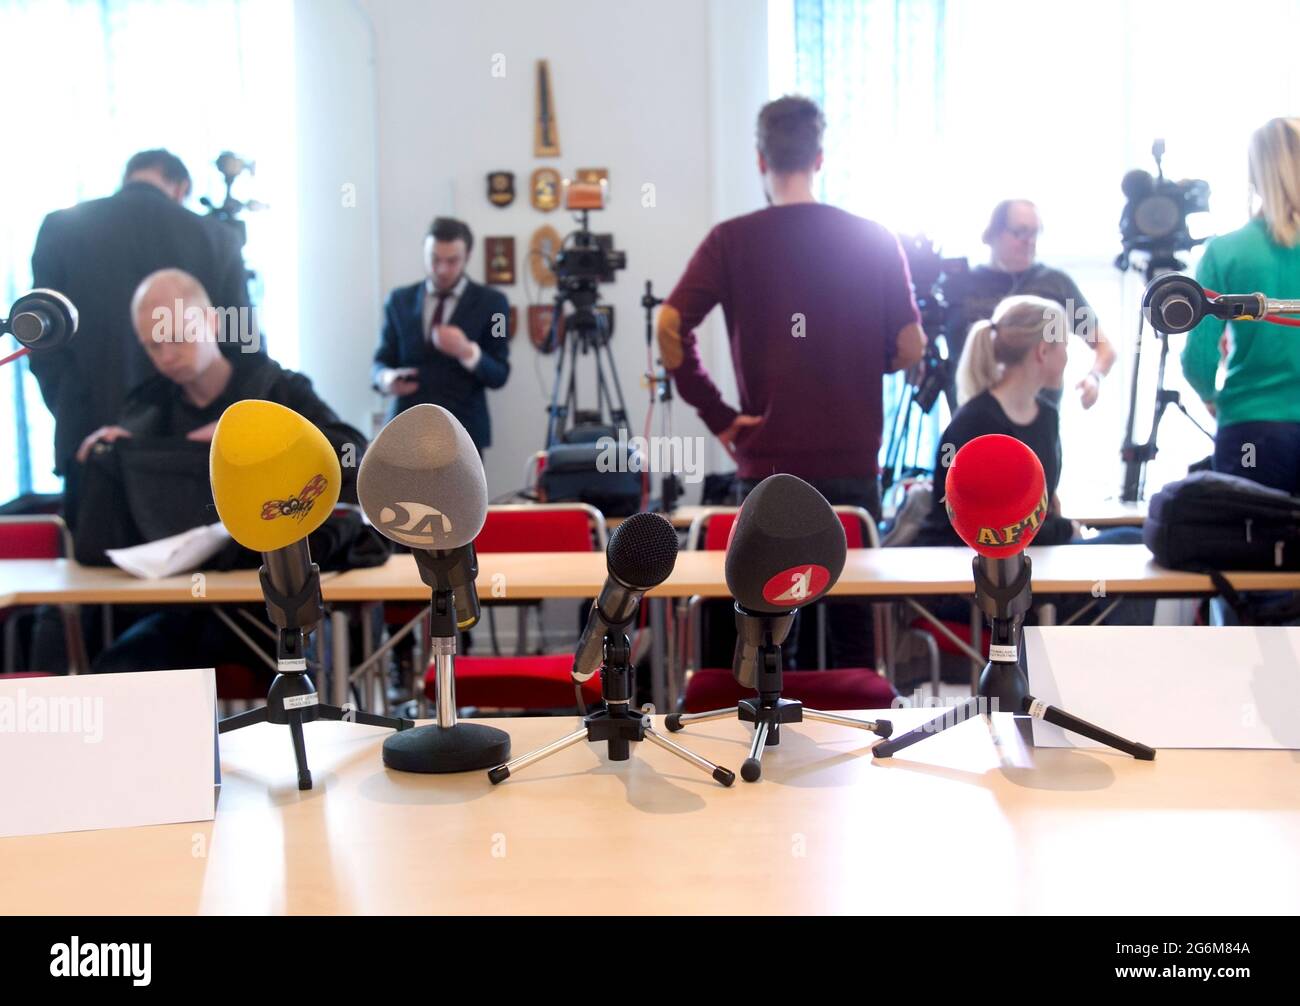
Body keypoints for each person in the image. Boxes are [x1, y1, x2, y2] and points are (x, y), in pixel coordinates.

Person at [660, 94, 926, 668]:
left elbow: (670, 324)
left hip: (768, 471)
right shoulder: (873, 237)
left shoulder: (730, 240)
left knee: (769, 626)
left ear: (761, 161)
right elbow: (911, 347)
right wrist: (853, 364)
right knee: (852, 636)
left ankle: (770, 741)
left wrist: (719, 416)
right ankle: (853, 743)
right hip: (852, 471)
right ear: (820, 158)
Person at [80, 269, 374, 675]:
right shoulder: (148, 410)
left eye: (177, 338)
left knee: (298, 680)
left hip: (273, 604)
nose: (166, 357)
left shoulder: (276, 389)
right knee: (118, 669)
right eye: (152, 346)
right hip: (181, 609)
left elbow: (351, 453)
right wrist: (110, 456)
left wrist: (253, 436)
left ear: (212, 322)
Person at [29, 149, 254, 524]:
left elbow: (40, 341)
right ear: (180, 187)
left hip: (89, 446)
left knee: (92, 567)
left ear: (129, 176)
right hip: (193, 460)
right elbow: (243, 343)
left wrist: (74, 412)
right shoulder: (216, 236)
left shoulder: (60, 228)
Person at [1182, 117, 1300, 495]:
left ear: (1255, 174)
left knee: (1248, 547)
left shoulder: (1225, 252)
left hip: (1252, 430)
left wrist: (1211, 398)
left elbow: (1198, 356)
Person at [948, 199, 1116, 409]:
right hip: (973, 418)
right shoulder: (959, 285)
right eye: (1020, 232)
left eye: (1035, 233)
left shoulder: (1056, 284)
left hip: (1039, 427)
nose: (1030, 241)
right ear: (993, 234)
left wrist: (1094, 378)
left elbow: (1104, 347)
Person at [371, 217, 511, 454]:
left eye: (452, 260)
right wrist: (387, 379)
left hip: (463, 431)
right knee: (399, 493)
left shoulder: (493, 303)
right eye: (434, 259)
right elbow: (381, 361)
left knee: (460, 494)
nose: (442, 269)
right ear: (424, 253)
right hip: (405, 426)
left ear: (467, 257)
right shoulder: (399, 300)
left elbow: (499, 374)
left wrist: (467, 351)